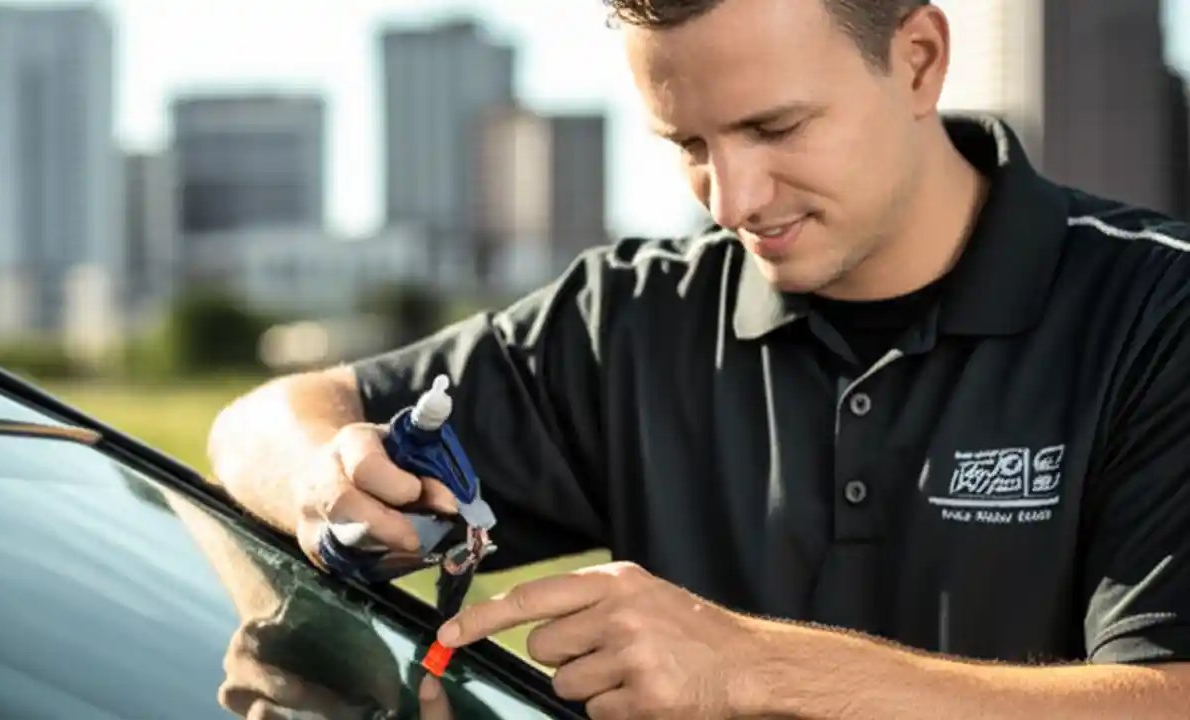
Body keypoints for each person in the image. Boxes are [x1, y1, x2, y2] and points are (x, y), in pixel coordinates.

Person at [206, 0, 1190, 716]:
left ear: (919, 59)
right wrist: (322, 478)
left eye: (774, 127)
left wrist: (752, 668)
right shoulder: (629, 319)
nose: (730, 200)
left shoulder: (1160, 312)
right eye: (686, 143)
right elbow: (263, 420)